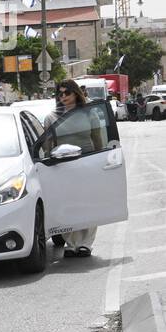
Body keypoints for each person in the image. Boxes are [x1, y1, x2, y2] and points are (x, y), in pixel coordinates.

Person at [43, 81, 98, 257]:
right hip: (62, 167)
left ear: (76, 93)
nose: (64, 97)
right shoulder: (52, 117)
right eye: (60, 94)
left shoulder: (89, 112)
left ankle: (85, 244)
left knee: (88, 204)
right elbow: (47, 147)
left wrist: (102, 160)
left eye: (67, 93)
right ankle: (71, 242)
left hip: (87, 163)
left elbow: (99, 140)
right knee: (67, 205)